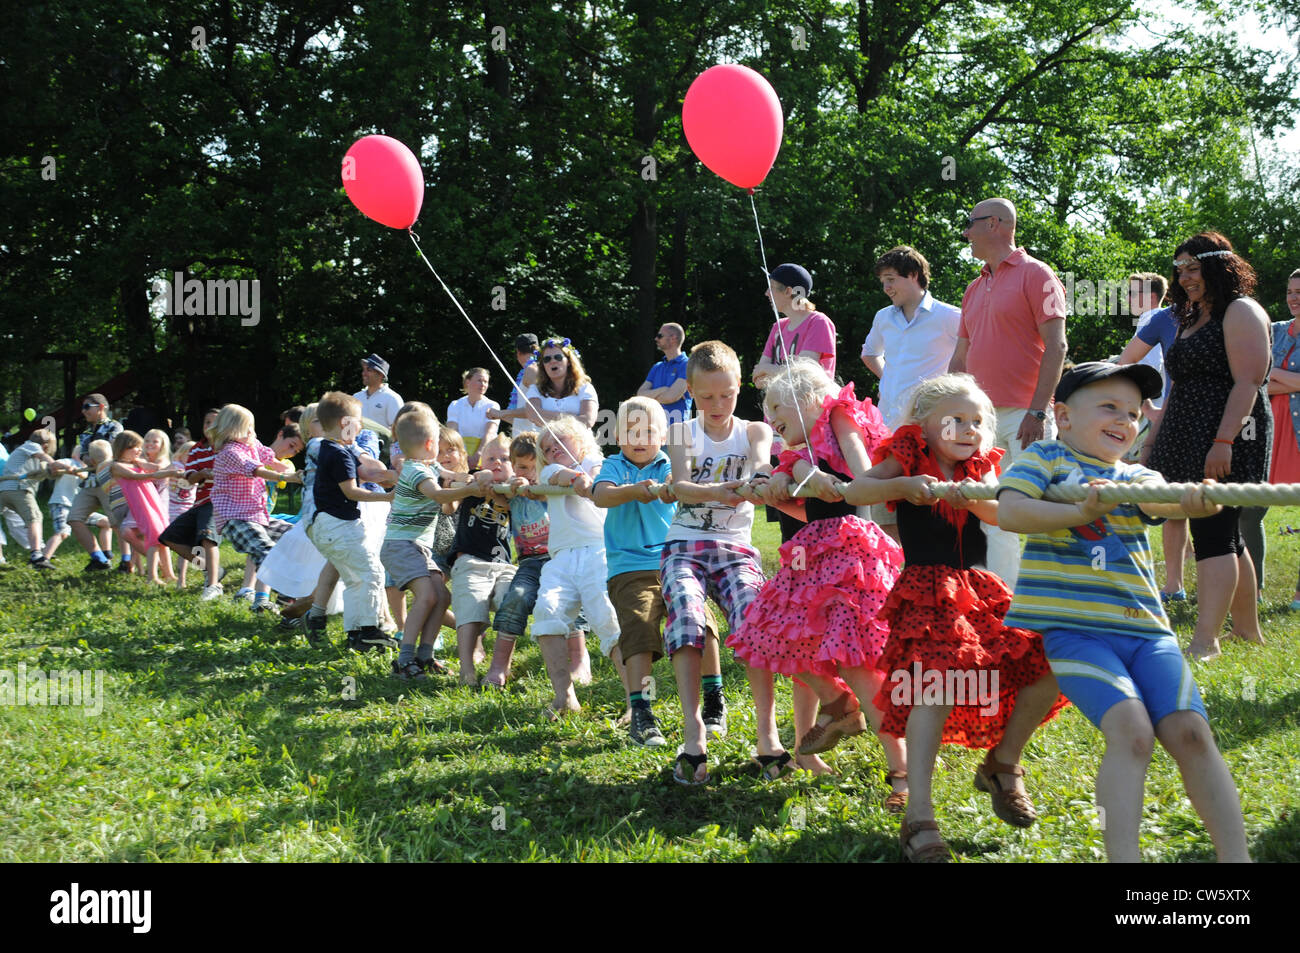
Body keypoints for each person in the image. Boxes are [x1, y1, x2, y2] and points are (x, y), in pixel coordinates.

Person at [997, 361, 1249, 862]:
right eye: (1109, 406)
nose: (1124, 420)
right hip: (1076, 632)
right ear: (1063, 416)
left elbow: (1171, 504)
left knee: (1192, 732)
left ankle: (1237, 861)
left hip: (1148, 633)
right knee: (1131, 732)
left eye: (1133, 413)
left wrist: (1199, 502)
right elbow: (1011, 510)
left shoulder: (1137, 474)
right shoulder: (1047, 458)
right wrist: (1079, 512)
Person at [841, 373, 1068, 861]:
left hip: (978, 587)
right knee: (937, 682)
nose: (969, 430)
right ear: (923, 427)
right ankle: (918, 814)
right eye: (955, 420)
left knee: (1051, 659)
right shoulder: (905, 456)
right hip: (928, 592)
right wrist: (903, 484)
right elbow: (856, 490)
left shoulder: (980, 470)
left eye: (977, 421)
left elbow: (999, 515)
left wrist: (976, 496)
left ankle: (1002, 762)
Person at [732, 361, 908, 793]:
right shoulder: (795, 452)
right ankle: (838, 702)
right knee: (764, 635)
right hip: (810, 553)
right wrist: (783, 482)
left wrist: (816, 477)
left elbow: (862, 475)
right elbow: (803, 499)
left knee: (858, 663)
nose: (771, 416)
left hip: (850, 551)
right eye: (767, 409)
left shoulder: (837, 415)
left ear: (809, 398)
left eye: (777, 405)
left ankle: (903, 774)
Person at [657, 341, 780, 784]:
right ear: (689, 391)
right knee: (687, 617)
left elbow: (764, 466)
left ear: (739, 388)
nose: (717, 405)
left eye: (726, 395)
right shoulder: (680, 433)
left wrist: (760, 478)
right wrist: (720, 491)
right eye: (706, 396)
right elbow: (681, 485)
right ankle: (694, 734)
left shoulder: (754, 431)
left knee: (754, 618)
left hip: (735, 549)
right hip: (685, 544)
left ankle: (768, 736)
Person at [1146, 233, 1271, 661]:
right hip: (1186, 428)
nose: (1185, 278)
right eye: (1179, 270)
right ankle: (1248, 633)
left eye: (1194, 268)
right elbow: (1176, 383)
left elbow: (1248, 382)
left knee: (1213, 530)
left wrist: (1223, 442)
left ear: (1219, 267)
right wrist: (1155, 439)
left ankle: (1205, 642)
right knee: (1226, 532)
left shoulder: (1241, 311)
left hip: (1228, 432)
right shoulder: (1191, 313)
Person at [948, 198, 1069, 590]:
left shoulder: (1038, 275)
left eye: (970, 223)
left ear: (994, 224)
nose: (965, 232)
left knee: (1038, 509)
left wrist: (1037, 412)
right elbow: (961, 356)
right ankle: (1007, 603)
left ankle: (1052, 599)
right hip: (981, 422)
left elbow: (1058, 346)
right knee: (994, 514)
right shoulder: (973, 286)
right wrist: (947, 408)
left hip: (1026, 416)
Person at [593, 397, 723, 748]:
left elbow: (677, 485)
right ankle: (642, 710)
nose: (640, 438)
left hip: (675, 560)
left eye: (649, 431)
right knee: (640, 632)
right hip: (629, 569)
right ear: (617, 434)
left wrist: (668, 487)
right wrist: (636, 491)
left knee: (701, 623)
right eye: (631, 431)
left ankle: (714, 700)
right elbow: (602, 496)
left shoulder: (668, 463)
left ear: (663, 436)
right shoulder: (614, 465)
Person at [861, 246, 962, 541]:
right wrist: (889, 379)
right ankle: (893, 578)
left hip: (930, 431)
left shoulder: (949, 316)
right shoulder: (883, 317)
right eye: (883, 281)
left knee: (933, 510)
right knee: (885, 513)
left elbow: (974, 353)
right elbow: (870, 354)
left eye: (891, 279)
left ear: (914, 275)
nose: (886, 287)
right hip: (888, 427)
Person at [529, 416, 625, 717]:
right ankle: (564, 697)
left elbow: (599, 472)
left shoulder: (602, 465)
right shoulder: (549, 470)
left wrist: (590, 478)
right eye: (546, 447)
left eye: (560, 442)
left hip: (600, 552)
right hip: (562, 558)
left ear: (581, 440)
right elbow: (555, 474)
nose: (552, 449)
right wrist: (576, 480)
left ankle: (637, 701)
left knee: (607, 616)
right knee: (547, 610)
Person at [483, 431, 588, 689]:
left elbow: (544, 494)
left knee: (568, 606)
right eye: (521, 467)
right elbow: (495, 497)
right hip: (530, 562)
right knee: (516, 597)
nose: (529, 473)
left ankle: (579, 658)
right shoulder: (514, 492)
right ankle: (499, 664)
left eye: (534, 467)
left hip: (559, 557)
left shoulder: (551, 487)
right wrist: (497, 485)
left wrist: (536, 486)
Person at [1116, 278, 1194, 603]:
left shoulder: (1154, 319)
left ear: (1150, 296)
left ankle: (1150, 572)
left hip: (1155, 418)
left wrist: (1147, 408)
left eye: (1132, 294)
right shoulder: (1165, 319)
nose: (1127, 299)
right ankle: (1181, 566)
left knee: (1139, 490)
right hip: (1168, 415)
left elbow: (1133, 367)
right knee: (1177, 499)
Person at [305, 392, 396, 650]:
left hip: (330, 525)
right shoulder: (339, 454)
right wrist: (387, 497)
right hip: (338, 525)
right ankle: (368, 630)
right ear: (345, 423)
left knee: (357, 577)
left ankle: (357, 632)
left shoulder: (330, 448)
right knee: (370, 572)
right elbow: (351, 491)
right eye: (359, 421)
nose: (361, 426)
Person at [1240, 268, 1300, 610]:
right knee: (1249, 508)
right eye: (1291, 291)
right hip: (1268, 430)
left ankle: (1299, 595)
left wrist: (1272, 375)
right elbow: (1255, 378)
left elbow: (1264, 376)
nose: (1294, 297)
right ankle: (1254, 590)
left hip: (1298, 431)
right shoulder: (1275, 331)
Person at [382, 409, 456, 680]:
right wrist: (470, 490)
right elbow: (437, 494)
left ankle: (425, 655)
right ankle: (404, 660)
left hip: (416, 547)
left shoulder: (429, 466)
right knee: (426, 596)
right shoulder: (414, 471)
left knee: (442, 596)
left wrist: (477, 480)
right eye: (438, 442)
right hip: (401, 546)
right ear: (429, 444)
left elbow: (453, 475)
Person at [210, 404, 294, 614]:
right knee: (266, 552)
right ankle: (283, 594)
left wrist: (280, 465)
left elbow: (267, 456)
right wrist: (286, 477)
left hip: (257, 516)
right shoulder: (230, 452)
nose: (252, 433)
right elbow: (256, 470)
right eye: (248, 428)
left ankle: (263, 601)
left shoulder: (251, 444)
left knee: (294, 535)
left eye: (253, 428)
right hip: (235, 518)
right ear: (233, 429)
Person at [446, 435, 517, 686]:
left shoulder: (515, 491)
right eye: (491, 458)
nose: (497, 462)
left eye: (505, 459)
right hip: (470, 561)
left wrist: (500, 492)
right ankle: (467, 669)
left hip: (504, 565)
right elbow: (453, 493)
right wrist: (476, 477)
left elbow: (510, 506)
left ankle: (502, 665)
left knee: (511, 603)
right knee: (471, 609)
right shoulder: (473, 480)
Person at [157, 408, 225, 600]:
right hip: (200, 503)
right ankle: (213, 570)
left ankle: (213, 585)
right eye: (206, 422)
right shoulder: (196, 449)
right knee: (169, 538)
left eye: (215, 422)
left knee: (207, 537)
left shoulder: (229, 448)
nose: (210, 426)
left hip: (219, 502)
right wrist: (202, 474)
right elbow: (190, 478)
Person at [67, 393, 126, 568]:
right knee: (74, 518)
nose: (83, 411)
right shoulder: (85, 433)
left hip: (109, 482)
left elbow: (116, 452)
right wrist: (90, 458)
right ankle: (99, 558)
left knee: (117, 523)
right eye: (83, 407)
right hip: (90, 483)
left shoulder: (114, 427)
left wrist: (97, 457)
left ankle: (126, 561)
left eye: (87, 407)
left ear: (101, 407)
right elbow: (84, 456)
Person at [0, 428, 71, 568]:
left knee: (21, 521)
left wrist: (57, 470)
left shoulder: (29, 455)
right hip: (18, 488)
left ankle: (38, 549)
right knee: (35, 518)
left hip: (4, 490)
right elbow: (51, 463)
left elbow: (49, 472)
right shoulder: (32, 446)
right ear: (45, 445)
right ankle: (36, 555)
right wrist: (66, 467)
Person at [493, 337, 598, 430]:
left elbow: (587, 421)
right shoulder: (536, 389)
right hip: (545, 447)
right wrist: (573, 417)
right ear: (543, 365)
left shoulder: (585, 388)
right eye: (547, 359)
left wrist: (543, 414)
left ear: (569, 361)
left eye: (558, 357)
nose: (552, 361)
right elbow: (532, 415)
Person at [637, 322, 692, 427]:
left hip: (677, 435)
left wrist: (650, 396)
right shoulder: (657, 367)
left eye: (660, 336)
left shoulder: (688, 365)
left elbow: (671, 397)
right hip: (654, 433)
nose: (656, 339)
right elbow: (640, 395)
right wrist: (663, 389)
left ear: (673, 338)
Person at [446, 367, 500, 469]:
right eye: (479, 380)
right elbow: (452, 432)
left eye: (485, 381)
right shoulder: (455, 405)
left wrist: (478, 454)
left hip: (486, 453)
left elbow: (490, 433)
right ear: (467, 382)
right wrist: (462, 454)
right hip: (460, 455)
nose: (483, 384)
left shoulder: (493, 405)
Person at [353, 353, 403, 434]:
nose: (363, 373)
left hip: (383, 446)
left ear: (381, 375)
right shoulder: (356, 397)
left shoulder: (392, 398)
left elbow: (399, 430)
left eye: (368, 370)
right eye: (364, 369)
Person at [502, 333, 540, 436]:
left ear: (518, 352)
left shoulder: (532, 370)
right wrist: (499, 414)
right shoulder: (536, 369)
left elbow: (535, 410)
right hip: (525, 434)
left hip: (532, 437)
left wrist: (502, 413)